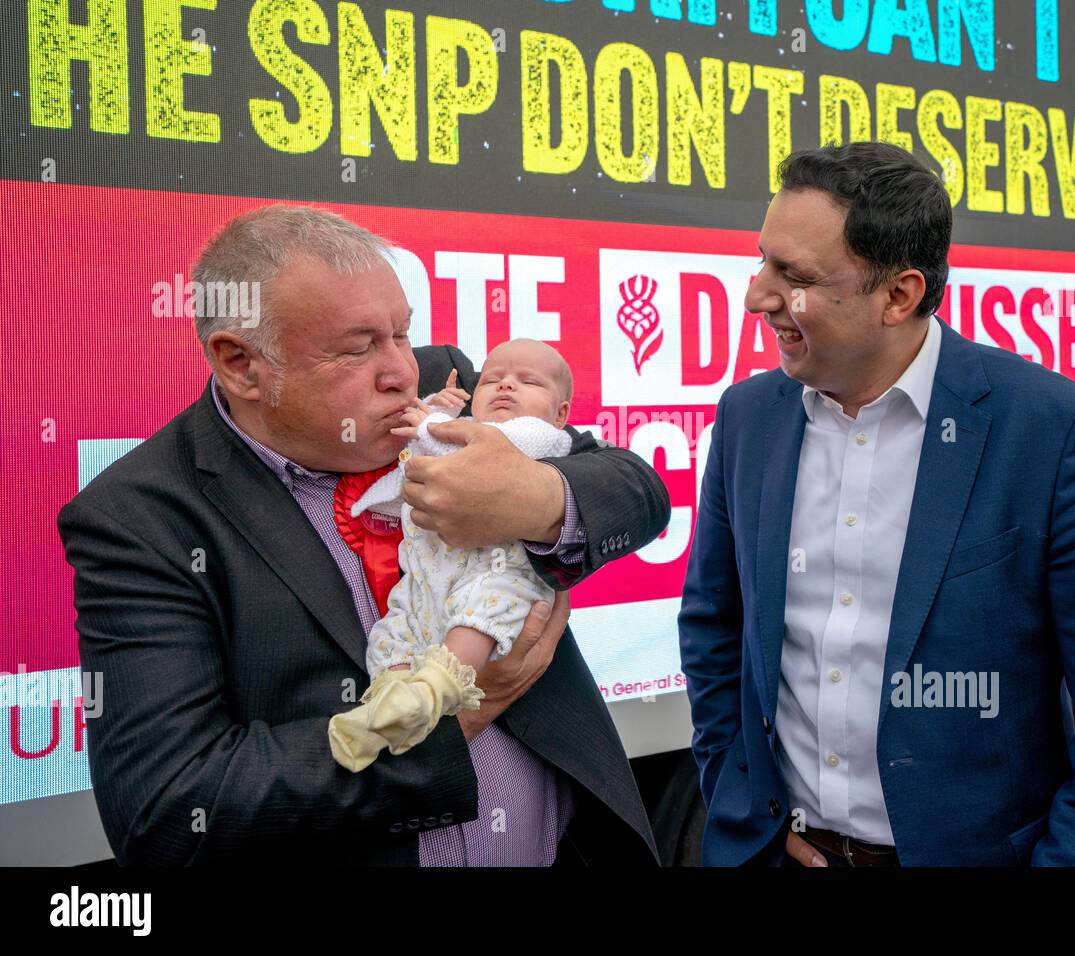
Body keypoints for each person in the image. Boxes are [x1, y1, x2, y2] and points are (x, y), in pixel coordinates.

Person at [59, 204, 670, 866]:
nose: (402, 373)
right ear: (242, 365)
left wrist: (536, 498)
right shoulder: (141, 517)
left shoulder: (450, 389)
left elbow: (638, 489)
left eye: (401, 334)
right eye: (356, 348)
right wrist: (460, 709)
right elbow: (171, 812)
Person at [678, 142, 1075, 867]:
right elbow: (714, 630)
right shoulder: (747, 419)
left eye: (794, 276)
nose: (758, 295)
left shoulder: (1055, 433)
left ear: (898, 295)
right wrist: (746, 814)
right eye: (763, 260)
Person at [328, 340, 578, 772]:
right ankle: (390, 704)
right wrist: (434, 415)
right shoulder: (463, 427)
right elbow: (415, 468)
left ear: (560, 413)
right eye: (493, 379)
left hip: (496, 573)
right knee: (396, 626)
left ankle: (435, 689)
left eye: (527, 381)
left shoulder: (538, 437)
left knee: (479, 617)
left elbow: (461, 449)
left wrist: (430, 421)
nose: (505, 386)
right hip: (430, 578)